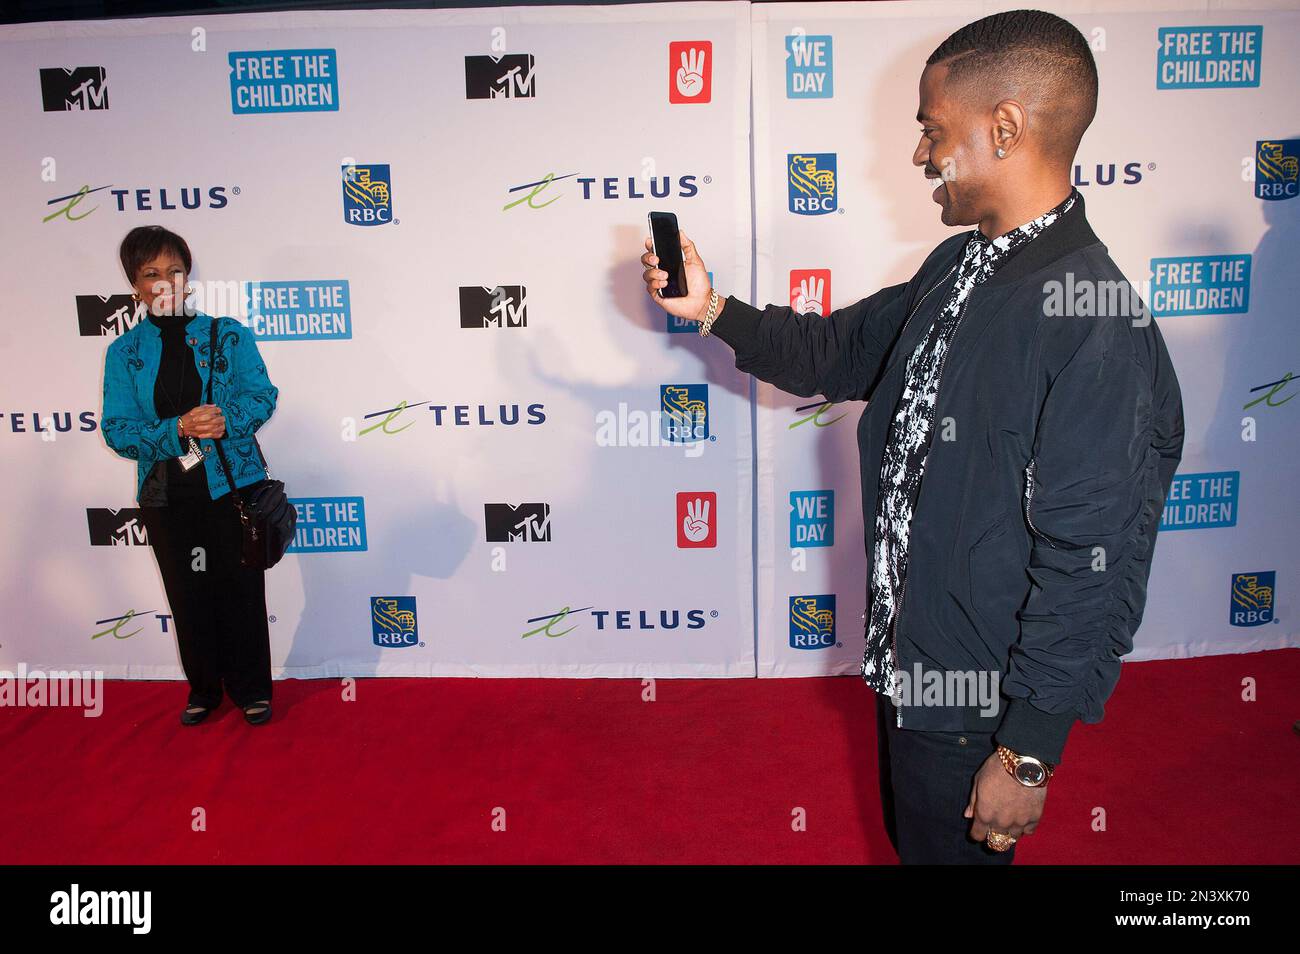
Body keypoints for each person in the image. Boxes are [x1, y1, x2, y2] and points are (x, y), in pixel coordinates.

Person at [641, 9, 1184, 863]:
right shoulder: (961, 263)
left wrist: (1029, 752)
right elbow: (837, 351)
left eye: (933, 131)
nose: (921, 155)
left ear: (1003, 128)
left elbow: (1092, 555)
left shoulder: (1093, 318)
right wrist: (710, 307)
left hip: (980, 706)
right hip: (909, 667)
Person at [101, 225, 280, 726]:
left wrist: (229, 419)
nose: (165, 282)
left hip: (232, 485)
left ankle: (251, 689)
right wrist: (176, 428)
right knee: (187, 594)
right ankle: (203, 689)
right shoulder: (124, 353)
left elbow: (261, 395)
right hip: (166, 495)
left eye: (174, 271)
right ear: (134, 285)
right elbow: (118, 431)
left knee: (242, 591)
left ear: (188, 274)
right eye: (151, 273)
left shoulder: (228, 334)